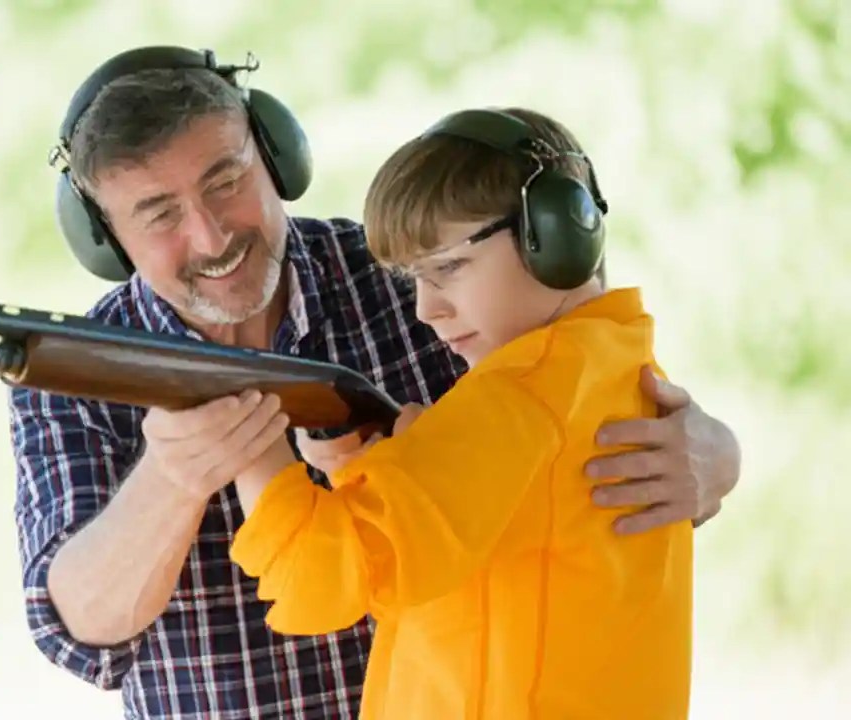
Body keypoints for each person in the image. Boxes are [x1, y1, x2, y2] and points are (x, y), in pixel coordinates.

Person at [8, 45, 740, 719]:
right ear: (106, 238)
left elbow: (573, 396)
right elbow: (79, 635)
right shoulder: (77, 372)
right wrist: (173, 477)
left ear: (275, 158)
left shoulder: (407, 275)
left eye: (226, 181)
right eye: (159, 214)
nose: (209, 235)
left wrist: (714, 456)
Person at [230, 106, 691, 719]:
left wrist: (246, 441)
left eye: (448, 268)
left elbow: (312, 579)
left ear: (555, 235)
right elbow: (455, 569)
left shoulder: (515, 396)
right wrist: (370, 472)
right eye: (414, 279)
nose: (427, 309)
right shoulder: (616, 367)